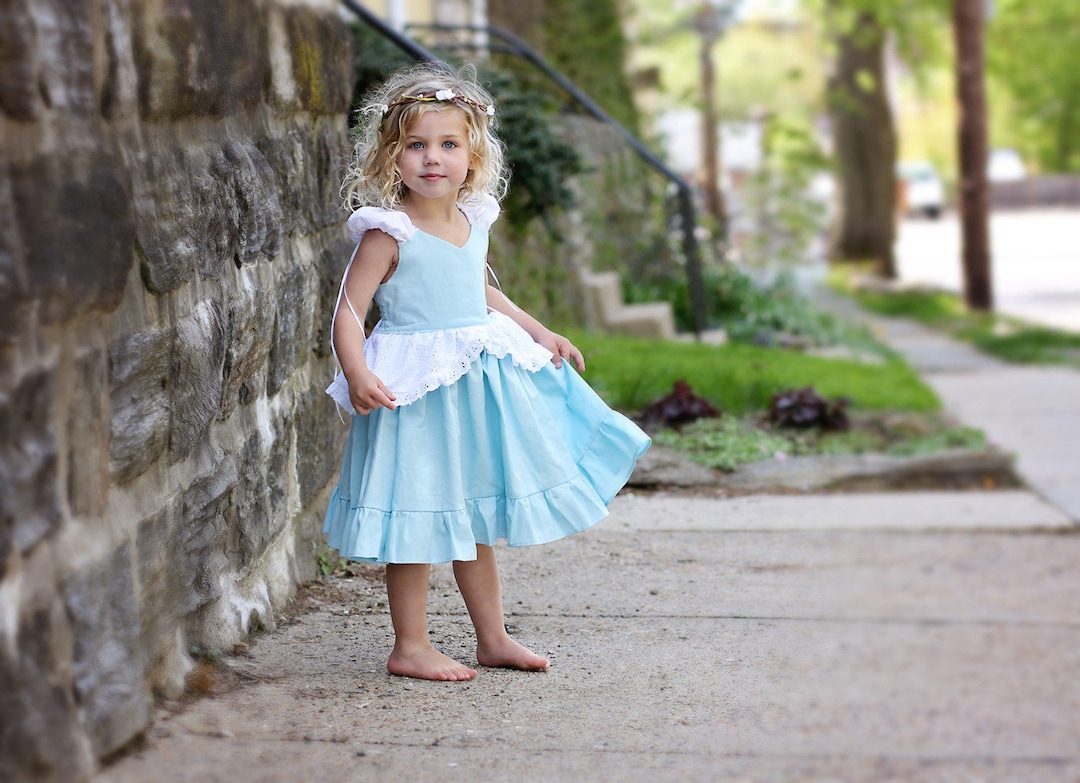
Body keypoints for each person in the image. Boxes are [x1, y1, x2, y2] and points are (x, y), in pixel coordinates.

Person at [322, 61, 650, 682]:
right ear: (391, 156)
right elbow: (348, 311)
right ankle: (410, 645)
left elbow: (482, 291)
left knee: (472, 511)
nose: (432, 159)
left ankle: (492, 637)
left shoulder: (473, 219)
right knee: (416, 514)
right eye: (415, 146)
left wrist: (538, 330)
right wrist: (357, 369)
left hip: (474, 382)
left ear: (473, 155)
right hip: (415, 391)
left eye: (448, 145)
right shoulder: (387, 233)